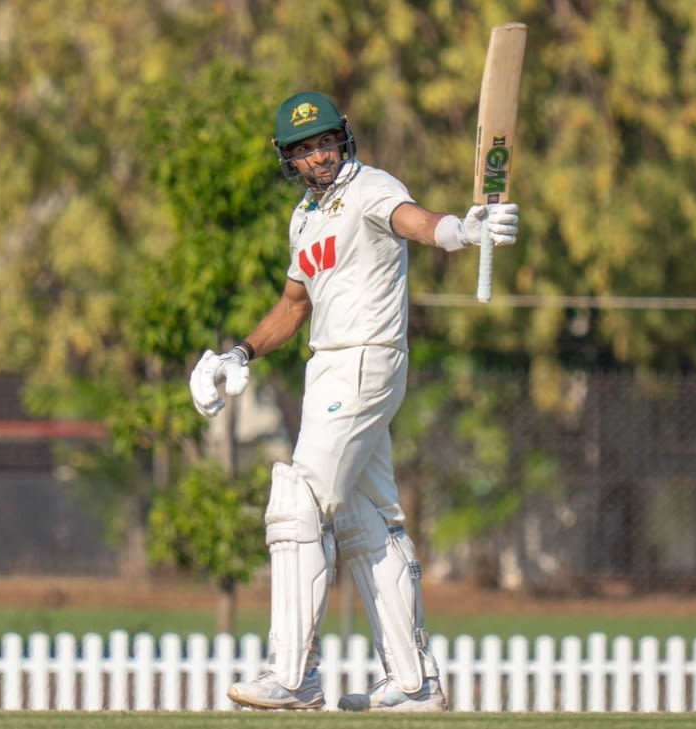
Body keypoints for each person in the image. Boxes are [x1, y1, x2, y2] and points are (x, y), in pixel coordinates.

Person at [188, 91, 519, 712]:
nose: (319, 156)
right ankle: (414, 683)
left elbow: (417, 223)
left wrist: (463, 231)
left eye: (325, 142)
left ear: (343, 137)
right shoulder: (305, 219)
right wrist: (239, 354)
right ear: (289, 159)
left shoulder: (371, 187)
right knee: (370, 522)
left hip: (366, 357)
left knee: (299, 499)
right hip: (327, 369)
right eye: (305, 149)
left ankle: (293, 675)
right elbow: (293, 306)